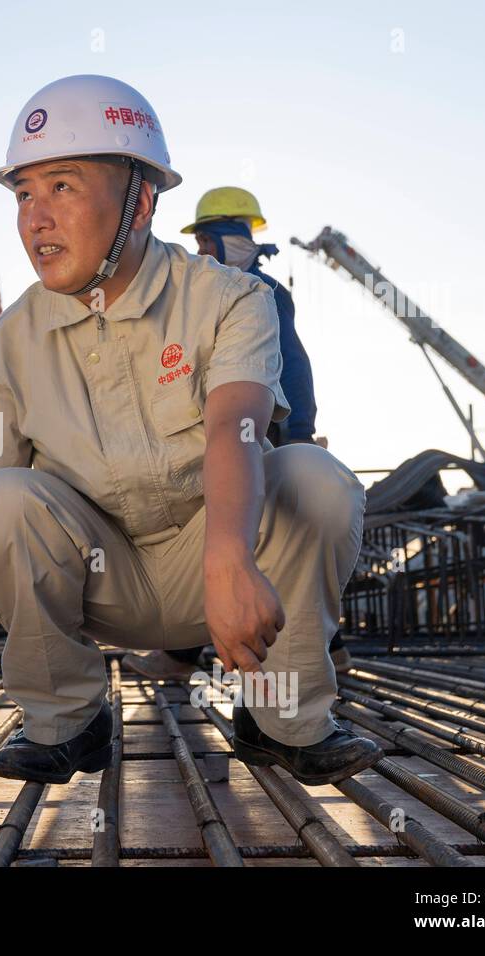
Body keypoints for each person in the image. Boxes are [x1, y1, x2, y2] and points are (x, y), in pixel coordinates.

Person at [0, 75, 380, 786]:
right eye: (23, 195)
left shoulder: (232, 299)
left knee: (316, 483)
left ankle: (283, 721)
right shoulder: (9, 342)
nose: (35, 219)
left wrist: (227, 558)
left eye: (63, 187)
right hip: (109, 586)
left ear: (141, 198)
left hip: (222, 568)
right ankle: (69, 721)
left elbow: (237, 426)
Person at [124, 187, 352, 678]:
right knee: (230, 536)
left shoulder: (257, 294)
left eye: (208, 241)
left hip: (263, 435)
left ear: (230, 237)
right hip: (225, 435)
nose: (202, 251)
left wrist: (299, 435)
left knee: (271, 531)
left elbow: (293, 370)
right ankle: (190, 651)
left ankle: (321, 650)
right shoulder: (213, 294)